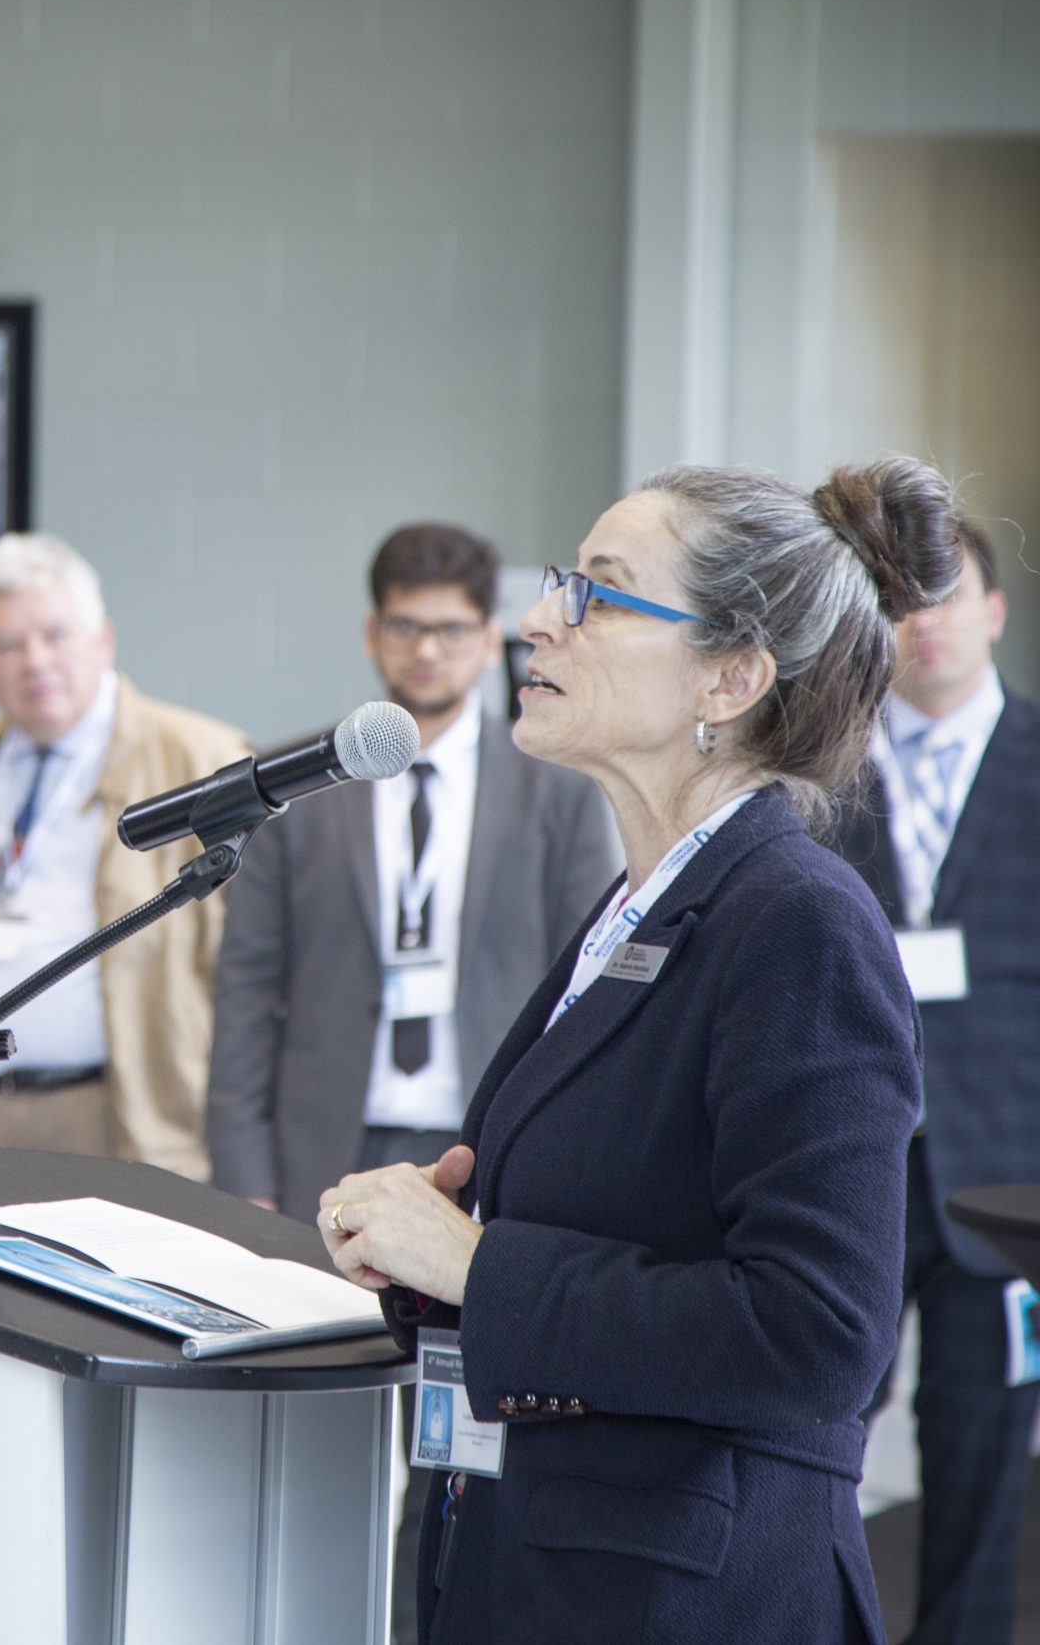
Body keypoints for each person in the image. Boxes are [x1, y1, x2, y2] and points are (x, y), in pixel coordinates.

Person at [316, 459, 953, 1643]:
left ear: (730, 675)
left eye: (597, 596)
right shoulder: (642, 905)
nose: (534, 621)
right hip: (556, 1565)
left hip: (690, 1596)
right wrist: (416, 1252)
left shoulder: (795, 920)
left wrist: (477, 1264)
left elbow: (815, 1335)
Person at [208, 524, 617, 1224]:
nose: (427, 649)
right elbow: (245, 989)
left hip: (487, 1138)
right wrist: (244, 1173)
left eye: (452, 629)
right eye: (405, 625)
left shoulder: (559, 788)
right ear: (372, 631)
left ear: (491, 638)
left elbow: (587, 990)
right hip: (324, 1140)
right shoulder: (294, 784)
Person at [826, 517, 1037, 1645]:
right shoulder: (822, 770)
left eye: (942, 596)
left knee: (984, 1447)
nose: (921, 622)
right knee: (815, 1429)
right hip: (848, 1162)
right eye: (897, 601)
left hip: (1006, 1179)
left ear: (992, 612)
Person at [0, 533, 248, 1173]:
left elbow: (255, 964)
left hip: (123, 1119)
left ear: (104, 640)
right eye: (8, 644)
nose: (35, 661)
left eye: (56, 635)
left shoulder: (202, 759)